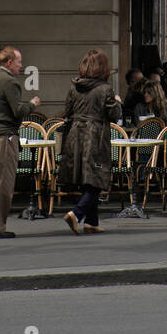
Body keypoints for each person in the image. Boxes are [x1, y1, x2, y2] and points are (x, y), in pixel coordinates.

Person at [0, 46, 41, 238]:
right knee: (3, 183)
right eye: (19, 62)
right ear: (10, 62)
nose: (21, 66)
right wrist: (32, 104)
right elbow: (17, 110)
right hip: (3, 135)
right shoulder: (9, 82)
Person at [60, 49, 122, 235]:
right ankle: (76, 214)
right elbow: (114, 114)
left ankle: (91, 222)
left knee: (88, 178)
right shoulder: (105, 89)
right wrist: (118, 102)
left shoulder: (74, 87)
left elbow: (68, 111)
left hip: (75, 135)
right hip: (95, 135)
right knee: (98, 177)